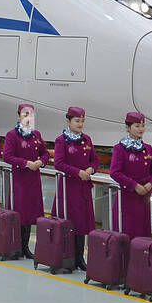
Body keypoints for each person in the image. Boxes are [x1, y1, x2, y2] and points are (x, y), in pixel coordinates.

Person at [2, 103, 50, 259]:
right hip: (20, 180)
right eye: (25, 115)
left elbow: (45, 154)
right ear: (18, 116)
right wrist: (25, 163)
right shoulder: (12, 135)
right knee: (20, 213)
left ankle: (25, 246)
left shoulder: (36, 135)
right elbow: (7, 156)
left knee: (30, 214)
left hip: (33, 180)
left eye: (31, 115)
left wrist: (41, 162)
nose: (28, 118)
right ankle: (16, 245)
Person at [53, 106, 98, 271]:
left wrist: (90, 170)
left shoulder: (87, 139)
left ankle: (80, 257)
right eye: (77, 121)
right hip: (69, 187)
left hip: (83, 188)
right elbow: (58, 163)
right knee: (69, 222)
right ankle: (66, 256)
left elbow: (95, 161)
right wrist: (78, 172)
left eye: (82, 121)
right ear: (69, 121)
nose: (80, 124)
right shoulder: (61, 140)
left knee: (82, 224)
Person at [108, 112, 152, 239]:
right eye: (137, 126)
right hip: (127, 198)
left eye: (143, 126)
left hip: (144, 199)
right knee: (126, 235)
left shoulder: (147, 148)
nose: (141, 129)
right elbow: (114, 172)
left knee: (142, 236)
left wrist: (150, 184)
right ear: (128, 127)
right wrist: (134, 185)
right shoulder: (120, 148)